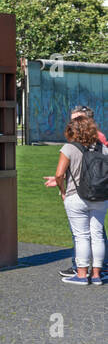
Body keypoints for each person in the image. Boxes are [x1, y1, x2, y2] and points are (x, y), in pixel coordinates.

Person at [53, 115, 108, 285]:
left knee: (81, 236)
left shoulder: (69, 148)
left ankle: (82, 274)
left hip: (76, 196)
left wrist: (62, 190)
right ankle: (97, 275)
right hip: (100, 196)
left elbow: (59, 174)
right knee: (97, 235)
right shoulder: (103, 149)